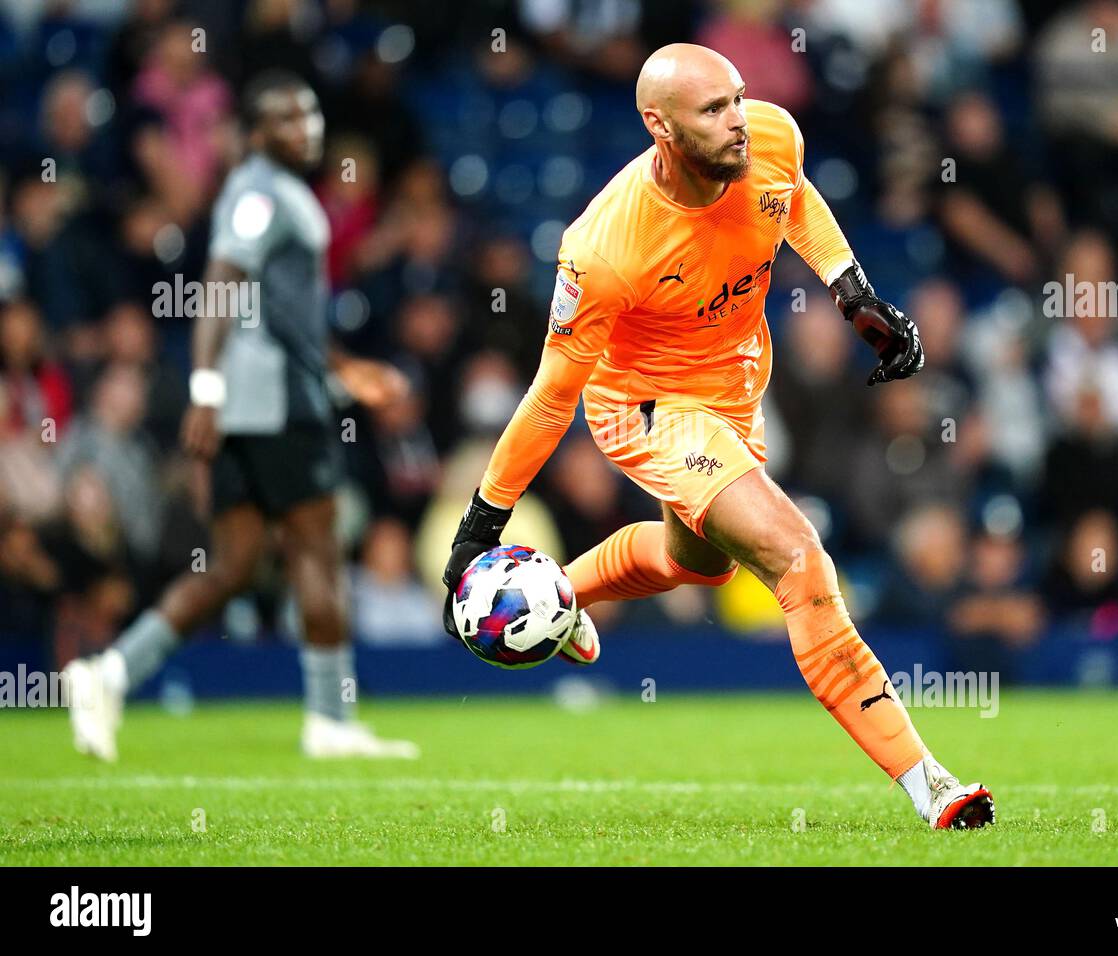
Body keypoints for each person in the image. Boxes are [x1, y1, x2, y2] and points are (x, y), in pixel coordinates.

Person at [441, 44, 994, 829]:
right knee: (798, 559)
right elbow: (548, 399)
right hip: (648, 408)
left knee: (693, 563)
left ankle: (552, 598)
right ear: (657, 127)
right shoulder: (603, 247)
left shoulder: (769, 136)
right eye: (713, 110)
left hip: (736, 389)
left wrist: (851, 289)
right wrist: (478, 531)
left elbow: (792, 196)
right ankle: (932, 784)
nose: (738, 121)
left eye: (737, 98)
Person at [66, 71, 417, 761]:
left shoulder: (277, 190)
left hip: (266, 397)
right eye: (288, 117)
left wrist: (340, 367)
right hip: (273, 406)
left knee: (232, 565)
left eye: (311, 114)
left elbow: (282, 313)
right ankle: (329, 720)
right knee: (316, 547)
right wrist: (204, 385)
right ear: (256, 133)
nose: (306, 128)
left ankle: (107, 673)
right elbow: (221, 283)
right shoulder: (258, 192)